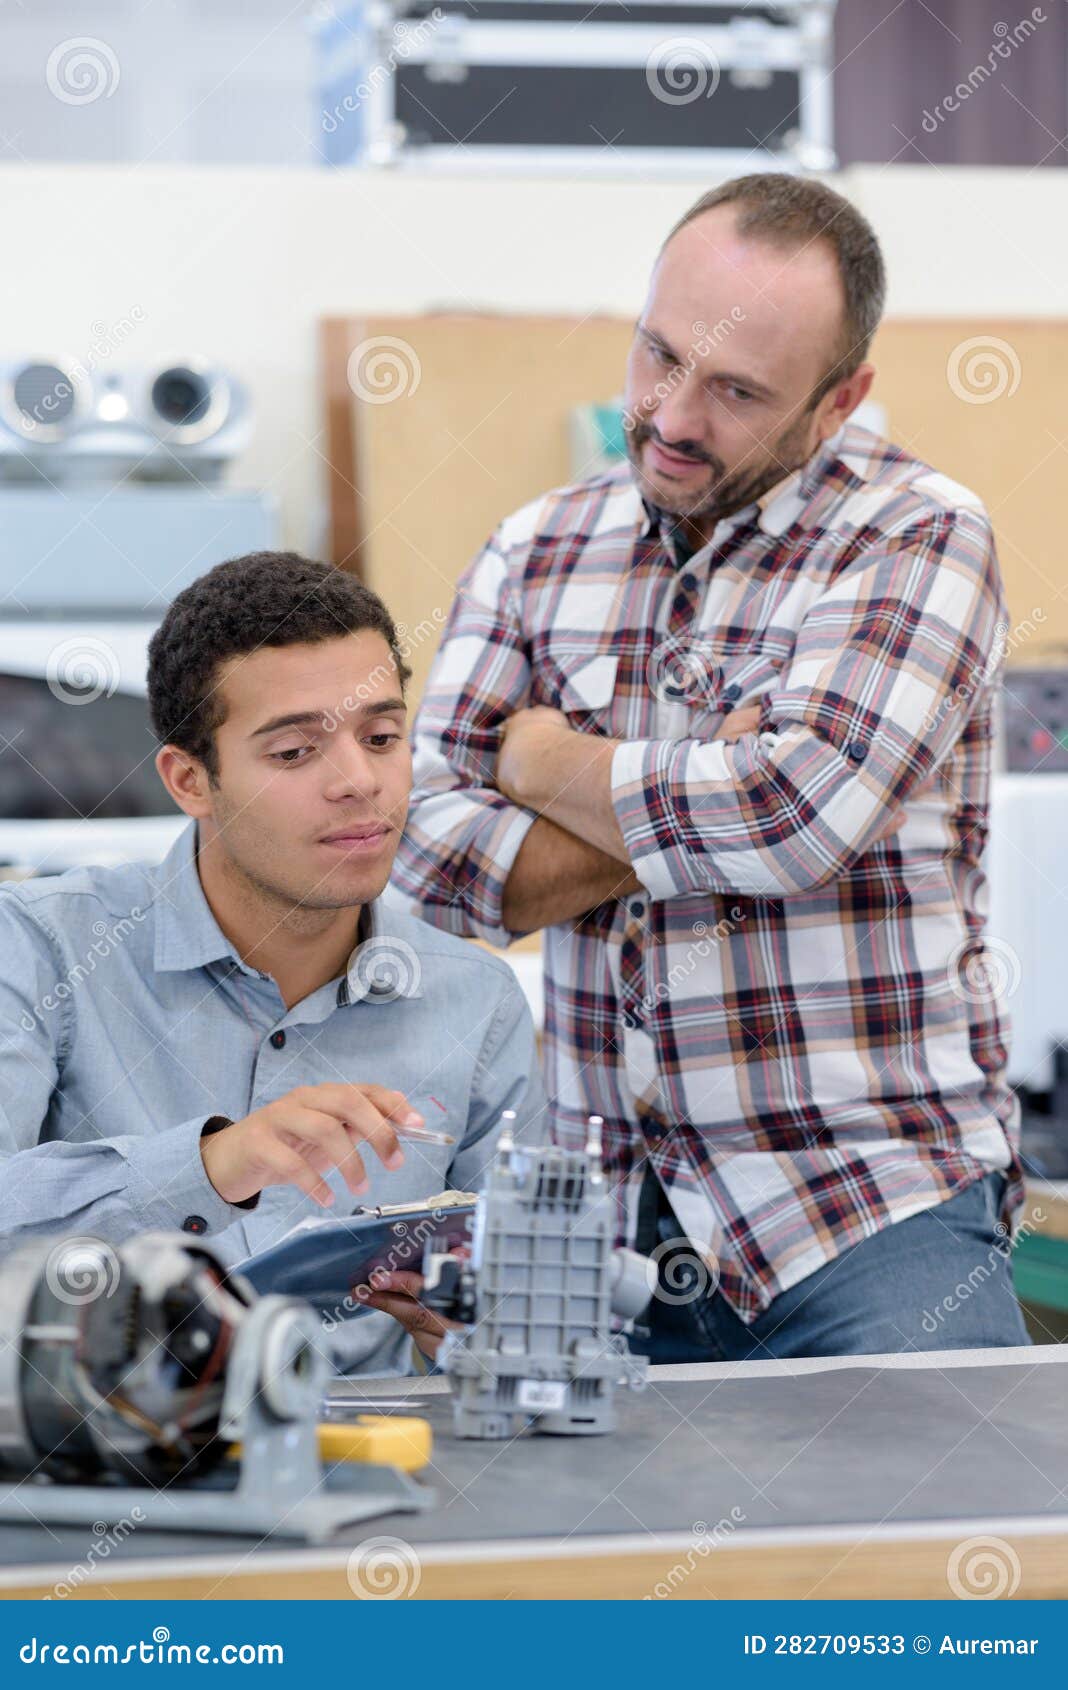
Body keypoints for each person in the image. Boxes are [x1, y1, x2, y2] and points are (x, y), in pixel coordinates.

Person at [391, 173, 1030, 1359]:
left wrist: (539, 758)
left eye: (736, 391)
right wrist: (695, 785)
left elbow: (788, 822)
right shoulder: (541, 547)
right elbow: (423, 856)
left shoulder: (923, 535)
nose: (672, 415)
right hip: (594, 1212)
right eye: (658, 357)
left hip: (865, 1196)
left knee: (926, 1532)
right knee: (565, 1545)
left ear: (841, 400)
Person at [0, 552, 545, 1374]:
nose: (360, 782)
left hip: (380, 1479)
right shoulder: (43, 946)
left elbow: (527, 1310)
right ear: (191, 780)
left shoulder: (477, 1001)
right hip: (96, 1465)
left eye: (382, 737)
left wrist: (478, 1341)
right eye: (294, 752)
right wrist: (213, 1165)